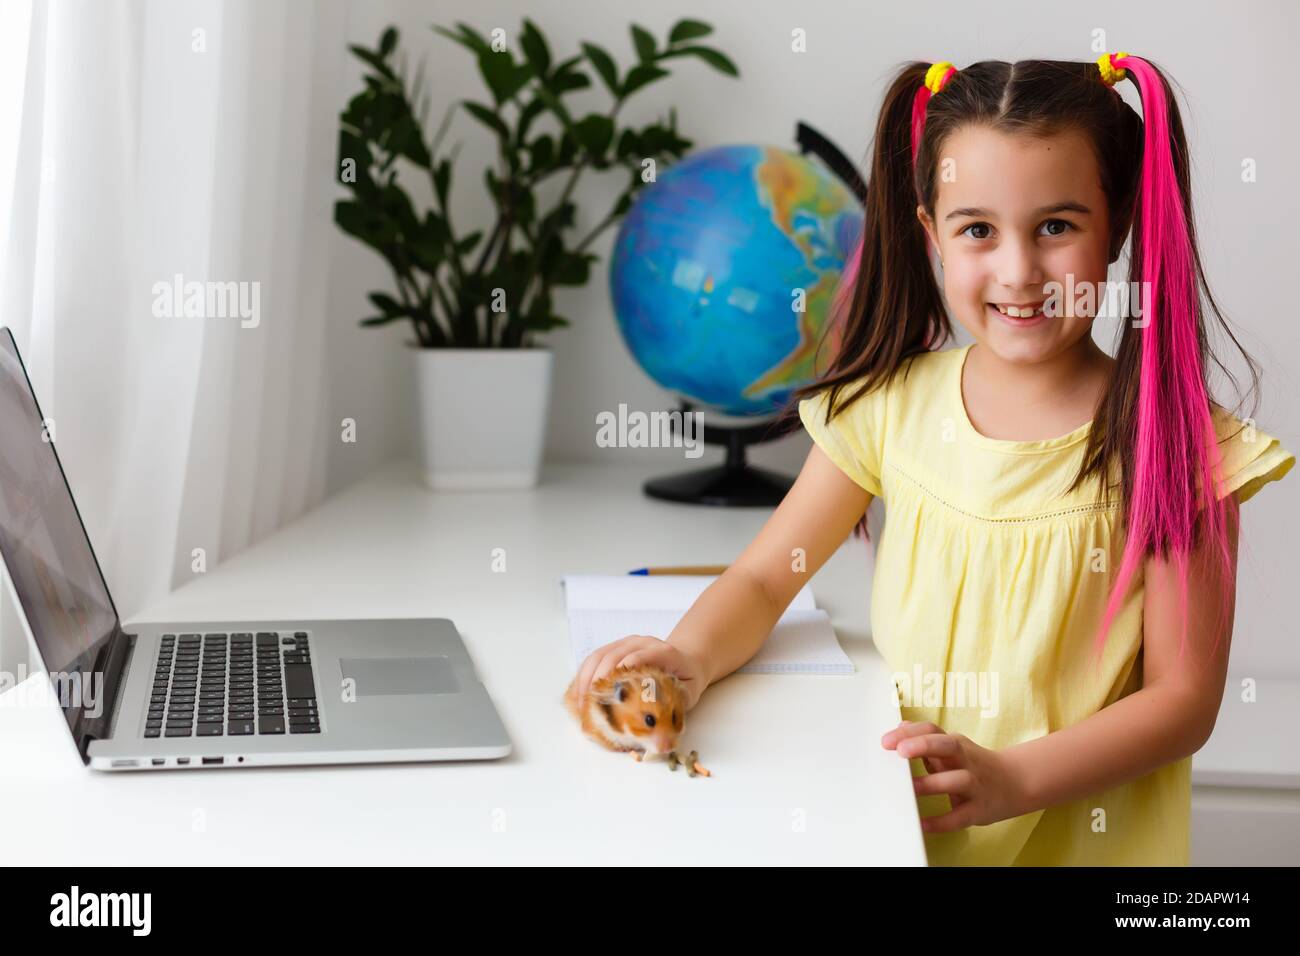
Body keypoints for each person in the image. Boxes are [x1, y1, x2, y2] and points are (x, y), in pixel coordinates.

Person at [572, 54, 1294, 865]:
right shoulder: (891, 406)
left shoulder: (1177, 444)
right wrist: (689, 656)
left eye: (1057, 226)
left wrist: (1013, 779)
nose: (1018, 270)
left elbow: (1183, 701)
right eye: (977, 230)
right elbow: (768, 578)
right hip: (901, 831)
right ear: (930, 233)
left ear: (1117, 222)